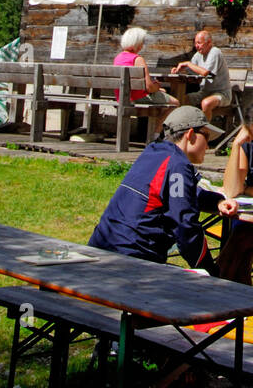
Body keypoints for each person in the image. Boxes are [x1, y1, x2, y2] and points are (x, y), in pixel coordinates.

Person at [88, 106, 236, 269]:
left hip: (101, 247)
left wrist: (216, 201)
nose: (208, 146)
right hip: (131, 259)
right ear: (191, 135)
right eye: (207, 137)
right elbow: (185, 226)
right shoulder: (178, 164)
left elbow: (178, 193)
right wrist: (211, 273)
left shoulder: (154, 152)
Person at [114, 27, 178, 141]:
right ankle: (156, 135)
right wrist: (157, 86)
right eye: (142, 42)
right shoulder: (138, 59)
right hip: (137, 98)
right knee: (175, 103)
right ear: (137, 43)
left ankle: (158, 133)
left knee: (161, 100)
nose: (143, 45)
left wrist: (156, 90)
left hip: (122, 97)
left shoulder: (118, 58)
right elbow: (149, 87)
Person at [171, 30, 231, 120]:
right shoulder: (198, 55)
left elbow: (206, 72)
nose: (196, 46)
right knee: (182, 100)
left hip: (221, 94)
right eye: (195, 43)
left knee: (206, 103)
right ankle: (186, 128)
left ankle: (204, 131)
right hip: (204, 92)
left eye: (199, 43)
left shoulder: (215, 52)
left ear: (209, 43)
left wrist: (187, 64)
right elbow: (190, 70)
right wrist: (178, 71)